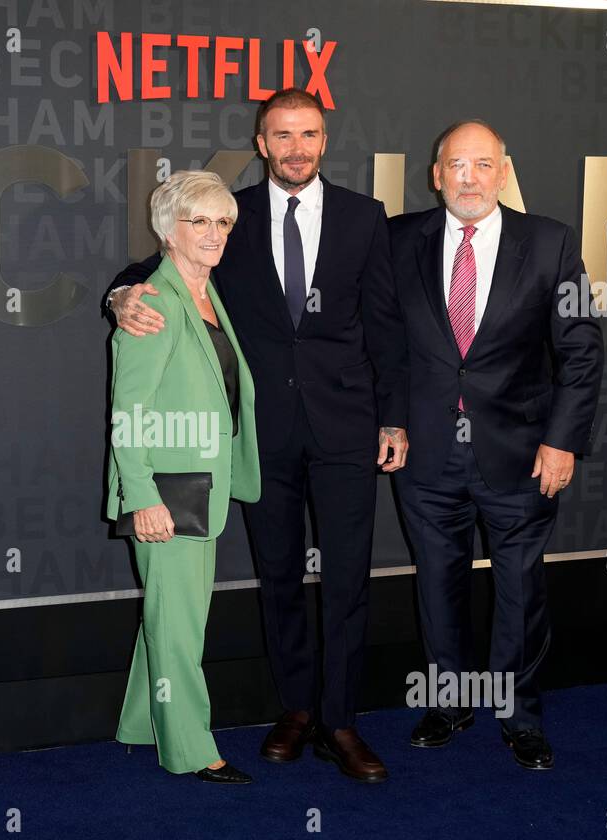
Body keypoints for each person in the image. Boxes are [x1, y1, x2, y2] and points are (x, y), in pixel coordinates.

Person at [105, 88, 407, 783]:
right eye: (281, 135)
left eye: (309, 134)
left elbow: (387, 326)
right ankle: (296, 708)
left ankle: (340, 720)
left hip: (346, 430)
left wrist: (392, 417)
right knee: (278, 577)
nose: (296, 147)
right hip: (257, 440)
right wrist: (118, 297)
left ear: (324, 140)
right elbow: (158, 268)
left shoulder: (364, 218)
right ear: (262, 142)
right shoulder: (229, 216)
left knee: (347, 579)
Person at [389, 120, 603, 769]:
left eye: (483, 165)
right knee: (437, 583)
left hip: (519, 451)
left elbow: (581, 350)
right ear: (435, 174)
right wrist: (389, 419)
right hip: (425, 453)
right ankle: (450, 702)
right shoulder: (397, 239)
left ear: (504, 171)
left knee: (518, 587)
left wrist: (563, 442)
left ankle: (519, 715)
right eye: (457, 165)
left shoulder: (550, 243)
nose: (469, 178)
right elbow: (378, 345)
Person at [107, 170, 261, 784]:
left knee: (173, 614)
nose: (214, 232)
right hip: (167, 492)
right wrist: (142, 497)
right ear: (167, 230)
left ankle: (143, 724)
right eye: (199, 220)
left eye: (223, 221)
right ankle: (193, 750)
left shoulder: (206, 292)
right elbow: (128, 411)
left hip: (200, 485)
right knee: (180, 623)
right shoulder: (152, 302)